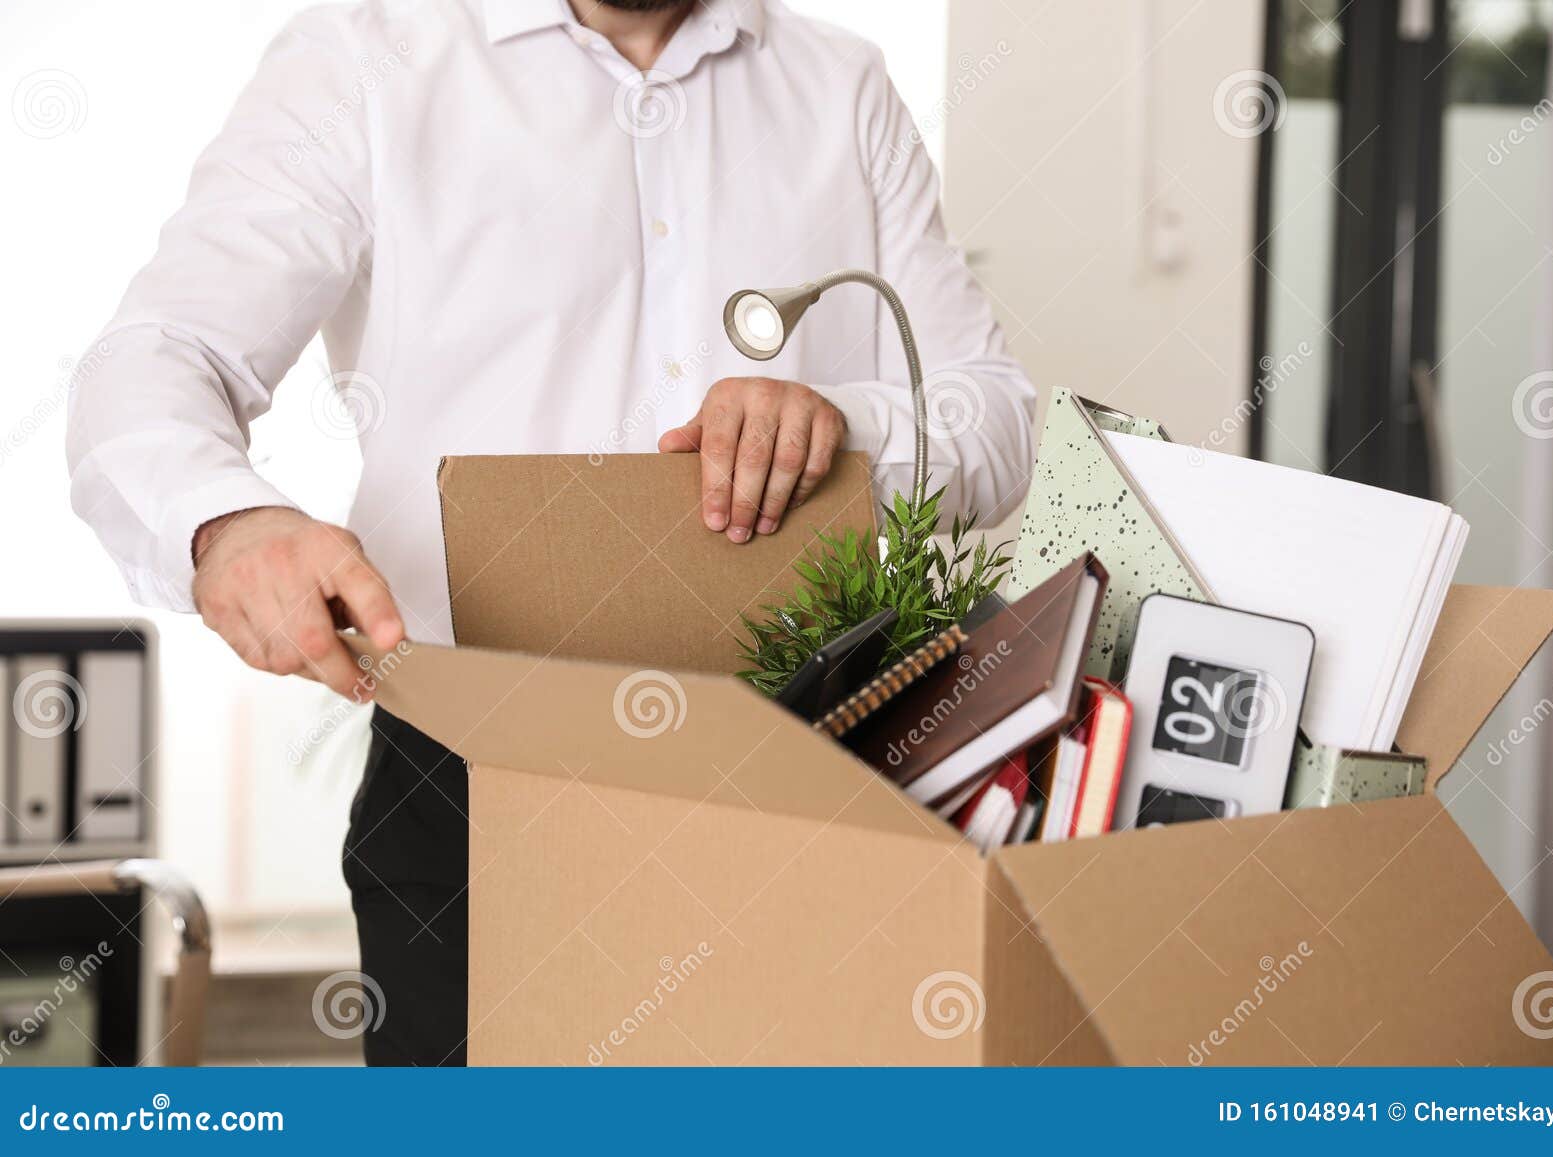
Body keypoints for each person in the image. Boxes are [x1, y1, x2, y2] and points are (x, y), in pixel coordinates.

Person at [66, 0, 1036, 1065]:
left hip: (807, 767)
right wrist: (225, 521)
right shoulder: (363, 57)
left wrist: (849, 422)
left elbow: (992, 414)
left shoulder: (841, 83)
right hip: (474, 781)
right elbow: (156, 355)